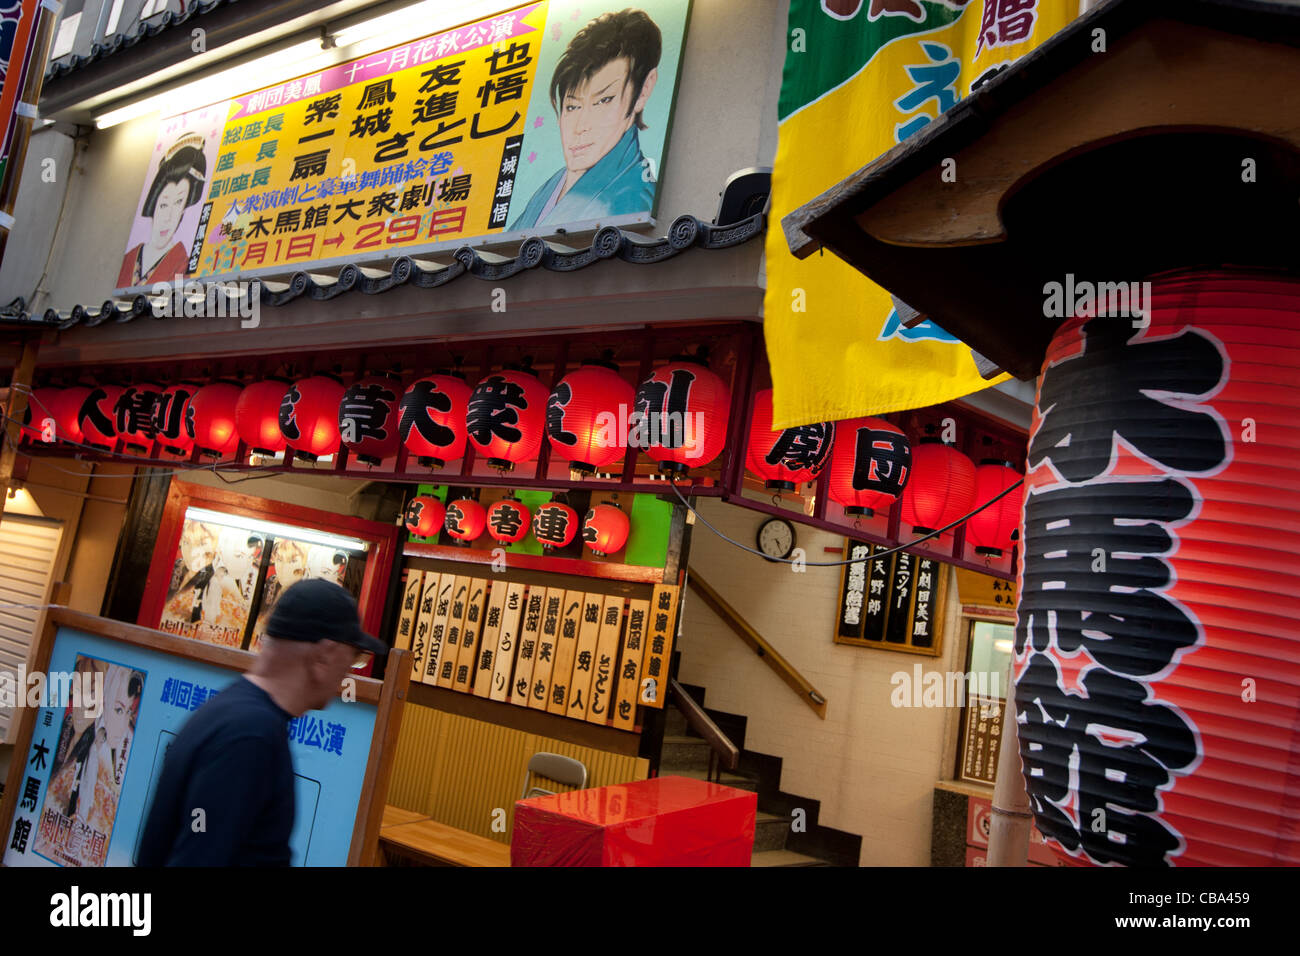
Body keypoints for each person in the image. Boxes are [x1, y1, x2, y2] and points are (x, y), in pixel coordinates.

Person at [137, 579, 387, 866]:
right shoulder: (251, 739)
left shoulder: (231, 712)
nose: (349, 674)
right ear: (324, 657)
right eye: (353, 658)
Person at [509, 9, 661, 230]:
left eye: (603, 101)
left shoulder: (630, 197)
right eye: (572, 106)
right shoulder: (555, 185)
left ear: (644, 90)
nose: (580, 127)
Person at [117, 132, 208, 288]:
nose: (168, 218)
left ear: (184, 209)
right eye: (164, 205)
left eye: (178, 203)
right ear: (153, 204)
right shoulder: (128, 260)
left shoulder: (183, 265)